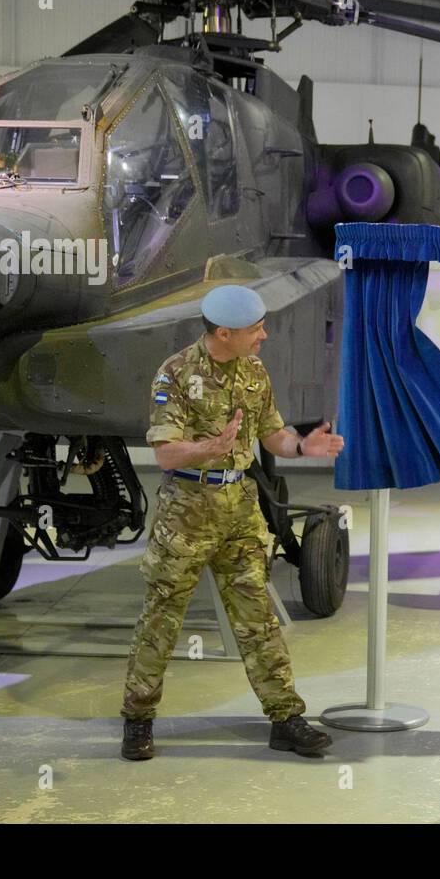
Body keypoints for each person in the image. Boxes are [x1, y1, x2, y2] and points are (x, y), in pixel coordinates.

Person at [120, 284, 345, 761]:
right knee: (162, 617)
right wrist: (206, 449)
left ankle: (285, 718)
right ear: (224, 332)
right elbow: (164, 452)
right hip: (187, 510)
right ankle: (138, 720)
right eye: (255, 329)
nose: (264, 335)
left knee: (257, 619)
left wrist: (302, 446)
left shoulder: (254, 371)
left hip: (239, 509)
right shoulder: (177, 374)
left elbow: (273, 434)